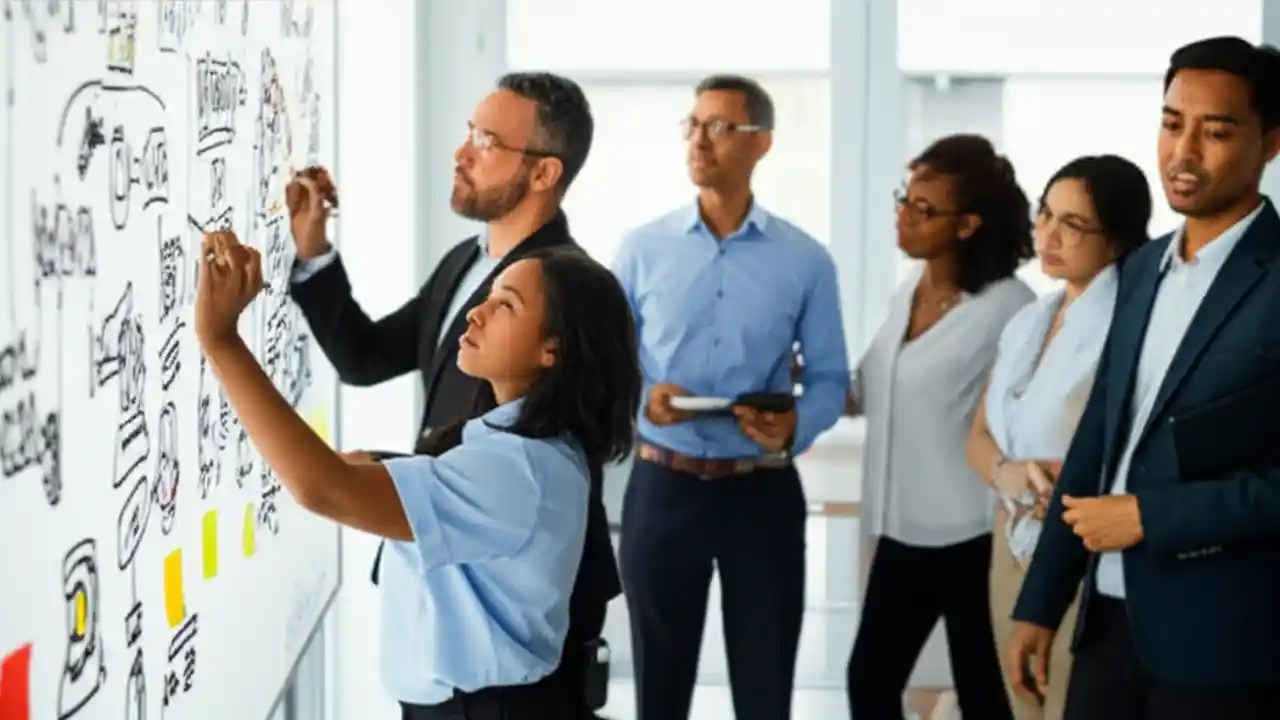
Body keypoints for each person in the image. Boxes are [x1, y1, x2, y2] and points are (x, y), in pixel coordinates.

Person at [285, 72, 622, 716]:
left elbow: (509, 460)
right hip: (444, 614)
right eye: (470, 132)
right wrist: (314, 249)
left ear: (544, 172)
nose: (461, 152)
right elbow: (365, 357)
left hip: (504, 642)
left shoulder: (569, 295)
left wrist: (361, 477)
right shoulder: (463, 265)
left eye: (487, 141)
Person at [195, 233, 640, 720]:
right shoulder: (530, 447)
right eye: (487, 297)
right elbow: (370, 475)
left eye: (505, 306)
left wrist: (221, 342)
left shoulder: (519, 470)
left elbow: (321, 487)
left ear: (552, 350)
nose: (476, 313)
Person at [1006, 36, 1280, 720]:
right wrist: (1040, 604)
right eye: (1171, 123)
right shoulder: (1138, 270)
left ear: (1271, 143)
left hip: (1224, 643)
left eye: (1216, 131)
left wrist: (1150, 517)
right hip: (1106, 629)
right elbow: (1099, 439)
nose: (1184, 153)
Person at [611, 74, 849, 720]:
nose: (699, 140)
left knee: (765, 691)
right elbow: (605, 367)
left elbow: (831, 379)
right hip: (663, 489)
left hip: (761, 492)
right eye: (692, 125)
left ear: (762, 143)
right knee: (658, 693)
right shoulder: (640, 251)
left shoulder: (806, 262)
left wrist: (794, 424)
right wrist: (641, 404)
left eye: (719, 126)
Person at [845, 133, 1036, 720]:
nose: (904, 215)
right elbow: (880, 387)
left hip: (972, 536)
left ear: (969, 225)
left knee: (984, 696)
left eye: (924, 209)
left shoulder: (1010, 307)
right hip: (903, 530)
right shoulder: (912, 291)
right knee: (870, 683)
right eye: (905, 199)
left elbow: (1024, 419)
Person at [965, 155, 1152, 719]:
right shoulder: (1030, 319)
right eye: (1045, 214)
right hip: (1011, 542)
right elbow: (977, 433)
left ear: (1116, 238)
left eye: (1072, 224)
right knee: (1021, 705)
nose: (1049, 234)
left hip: (1080, 551)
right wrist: (1008, 473)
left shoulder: (1133, 322)